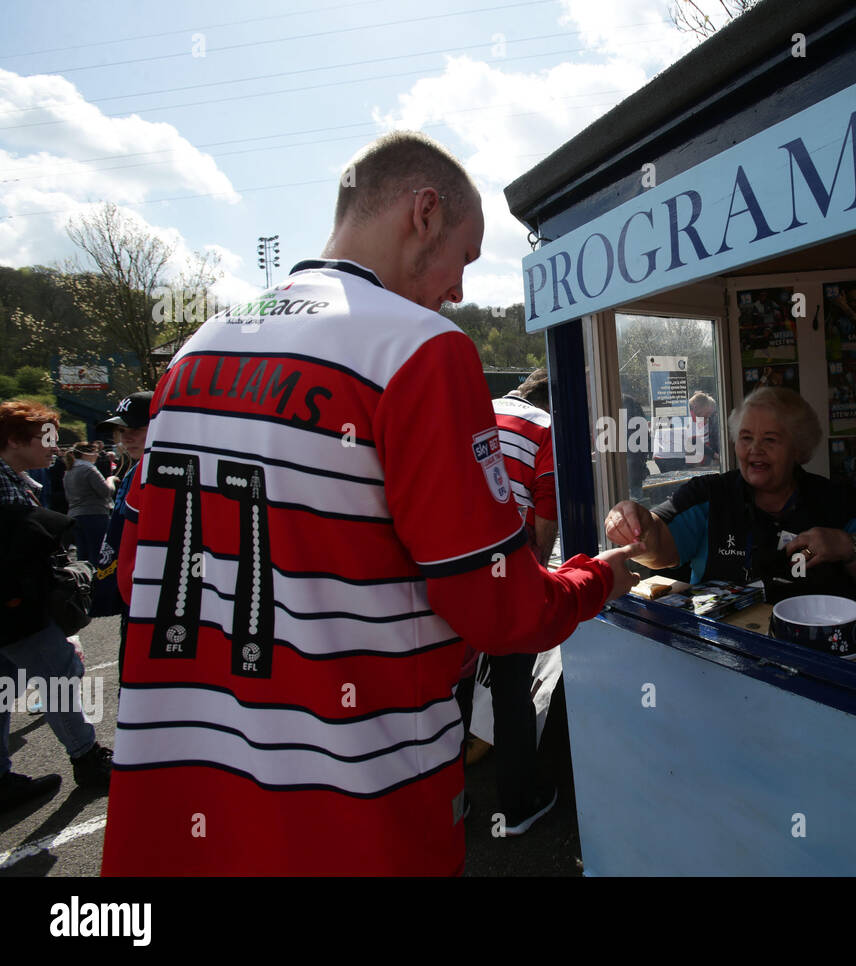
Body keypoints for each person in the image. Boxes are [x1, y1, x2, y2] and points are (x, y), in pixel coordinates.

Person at [100, 131, 642, 876]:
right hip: (352, 790)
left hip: (180, 785)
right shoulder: (420, 347)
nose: (457, 289)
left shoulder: (196, 349)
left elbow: (138, 579)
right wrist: (601, 577)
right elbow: (497, 610)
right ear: (424, 213)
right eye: (466, 257)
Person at [605, 387, 856, 609]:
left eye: (770, 440)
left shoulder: (837, 501)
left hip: (822, 663)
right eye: (746, 437)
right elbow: (660, 550)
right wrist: (638, 524)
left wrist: (848, 546)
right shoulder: (709, 494)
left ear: (799, 449)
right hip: (724, 659)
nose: (755, 449)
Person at [0, 401, 114, 811]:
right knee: (58, 677)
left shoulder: (16, 477)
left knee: (5, 686)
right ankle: (87, 758)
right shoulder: (5, 483)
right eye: (45, 438)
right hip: (17, 608)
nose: (54, 446)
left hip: (16, 604)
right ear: (14, 440)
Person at [479, 368, 561, 835]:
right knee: (512, 690)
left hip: (456, 570)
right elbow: (546, 515)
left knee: (455, 688)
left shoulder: (482, 412)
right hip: (510, 575)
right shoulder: (545, 428)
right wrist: (539, 579)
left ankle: (452, 804)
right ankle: (517, 806)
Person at [90, 392, 153, 661]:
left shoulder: (169, 473)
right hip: (133, 592)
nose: (126, 438)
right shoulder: (134, 469)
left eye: (136, 429)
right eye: (122, 430)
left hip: (153, 596)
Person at [62, 441, 113, 566]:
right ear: (87, 454)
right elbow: (106, 491)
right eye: (96, 452)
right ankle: (97, 582)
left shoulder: (69, 470)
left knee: (82, 555)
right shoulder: (89, 469)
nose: (98, 455)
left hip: (75, 515)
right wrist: (111, 480)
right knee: (97, 553)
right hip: (94, 514)